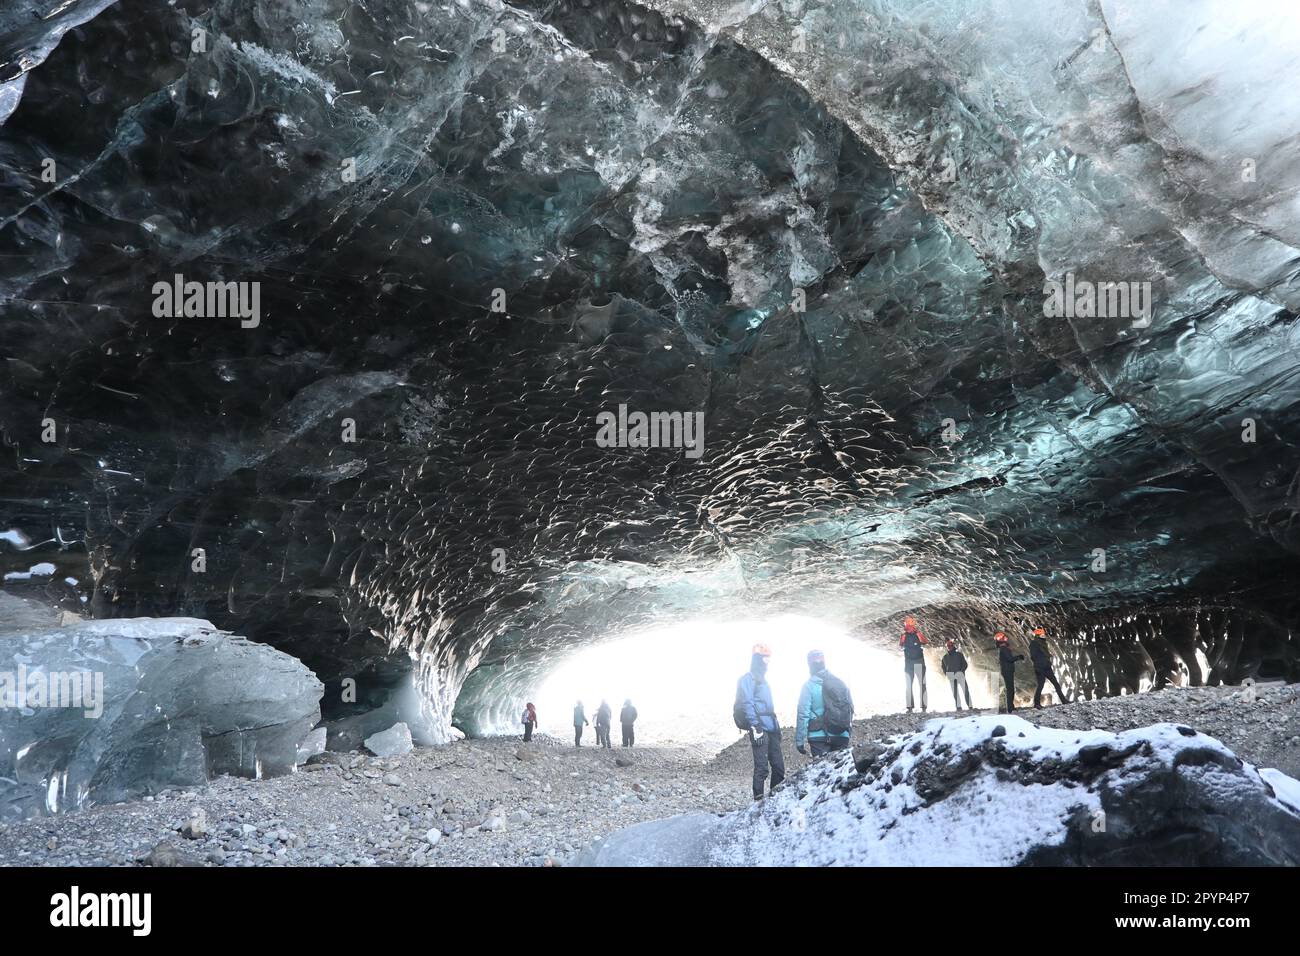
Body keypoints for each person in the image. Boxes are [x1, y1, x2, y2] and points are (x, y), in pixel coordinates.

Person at [735, 642, 784, 800]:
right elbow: (747, 703)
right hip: (760, 728)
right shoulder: (748, 679)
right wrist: (755, 726)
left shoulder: (763, 680)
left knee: (778, 767)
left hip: (771, 727)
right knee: (762, 768)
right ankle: (758, 802)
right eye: (765, 659)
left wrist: (776, 728)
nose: (768, 663)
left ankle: (775, 799)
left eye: (769, 659)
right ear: (757, 659)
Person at [795, 650, 853, 756]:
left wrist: (800, 741)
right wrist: (848, 731)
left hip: (819, 736)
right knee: (839, 771)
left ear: (809, 665)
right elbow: (850, 707)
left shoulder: (808, 686)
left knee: (822, 771)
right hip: (841, 735)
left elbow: (803, 715)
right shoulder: (840, 682)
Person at [1029, 627, 1070, 708]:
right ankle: (1036, 704)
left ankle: (1064, 700)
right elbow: (1033, 656)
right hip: (1040, 668)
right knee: (1040, 685)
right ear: (1038, 635)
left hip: (1047, 667)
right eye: (1042, 634)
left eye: (1043, 634)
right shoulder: (1034, 643)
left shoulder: (1043, 643)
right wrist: (1039, 665)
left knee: (1056, 684)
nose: (1044, 635)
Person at [900, 615, 928, 712]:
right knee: (908, 685)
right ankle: (910, 707)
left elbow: (925, 642)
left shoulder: (918, 634)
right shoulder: (903, 636)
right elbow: (901, 645)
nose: (909, 624)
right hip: (908, 663)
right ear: (905, 624)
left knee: (922, 684)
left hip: (919, 661)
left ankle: (924, 707)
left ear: (913, 623)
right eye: (907, 622)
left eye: (911, 622)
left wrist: (918, 634)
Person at [941, 641, 974, 711]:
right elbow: (943, 668)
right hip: (951, 677)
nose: (949, 647)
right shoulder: (944, 657)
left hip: (960, 676)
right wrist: (947, 674)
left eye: (950, 646)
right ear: (946, 647)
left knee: (965, 691)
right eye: (948, 646)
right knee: (955, 693)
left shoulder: (959, 655)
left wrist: (961, 672)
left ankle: (970, 706)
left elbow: (965, 664)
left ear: (953, 646)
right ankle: (958, 707)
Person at [995, 632, 1024, 712]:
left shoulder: (1003, 649)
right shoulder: (1004, 649)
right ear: (1002, 640)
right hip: (1007, 671)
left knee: (1010, 689)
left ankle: (1011, 707)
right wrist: (1019, 657)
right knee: (1010, 689)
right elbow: (1010, 659)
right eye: (1005, 638)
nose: (1007, 639)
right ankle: (1010, 708)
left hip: (1007, 670)